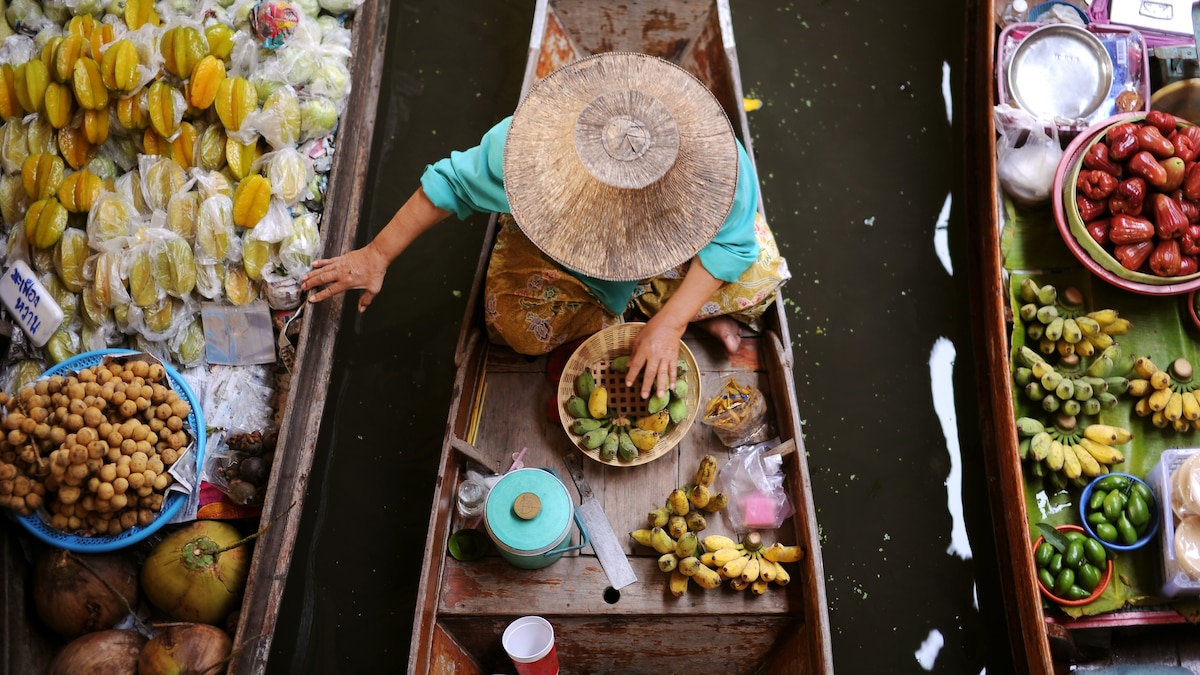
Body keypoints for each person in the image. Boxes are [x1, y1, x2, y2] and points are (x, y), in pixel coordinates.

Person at [301, 52, 789, 400]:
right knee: (517, 328)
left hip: (672, 255)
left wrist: (672, 322)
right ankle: (660, 309)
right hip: (570, 257)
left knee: (762, 276)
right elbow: (452, 183)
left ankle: (673, 310)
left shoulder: (715, 161)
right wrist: (378, 254)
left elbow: (733, 246)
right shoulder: (527, 151)